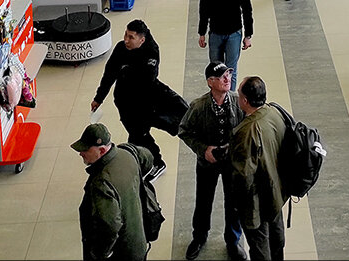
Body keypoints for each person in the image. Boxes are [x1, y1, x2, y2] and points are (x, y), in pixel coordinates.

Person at [178, 62, 247, 261]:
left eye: (228, 74)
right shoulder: (199, 107)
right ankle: (199, 237)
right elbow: (184, 131)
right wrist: (202, 150)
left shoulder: (237, 101)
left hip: (231, 163)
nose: (227, 79)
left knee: (233, 203)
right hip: (207, 163)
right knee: (203, 201)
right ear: (210, 82)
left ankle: (233, 241)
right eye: (222, 76)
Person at [91, 20, 167, 178]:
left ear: (142, 40)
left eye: (131, 37)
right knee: (135, 132)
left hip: (142, 102)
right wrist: (99, 98)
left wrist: (126, 70)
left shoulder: (151, 52)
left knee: (139, 133)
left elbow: (149, 78)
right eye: (126, 35)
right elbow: (109, 74)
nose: (126, 40)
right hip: (123, 101)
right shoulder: (121, 48)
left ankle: (158, 163)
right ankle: (139, 156)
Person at [73, 123, 154, 261]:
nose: (81, 153)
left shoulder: (102, 184)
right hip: (139, 239)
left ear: (102, 151)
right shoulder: (127, 153)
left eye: (86, 149)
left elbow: (109, 226)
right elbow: (148, 158)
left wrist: (99, 253)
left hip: (122, 253)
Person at [229, 76, 287, 261]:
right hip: (277, 192)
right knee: (277, 239)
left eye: (239, 94)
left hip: (256, 202)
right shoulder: (275, 113)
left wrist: (236, 202)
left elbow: (243, 176)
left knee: (260, 246)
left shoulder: (246, 131)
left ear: (245, 101)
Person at [198, 0, 253, 90]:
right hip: (215, 33)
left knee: (230, 70)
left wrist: (248, 35)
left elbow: (247, 10)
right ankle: (217, 96)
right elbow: (203, 10)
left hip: (233, 34)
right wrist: (202, 32)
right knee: (216, 69)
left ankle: (231, 98)